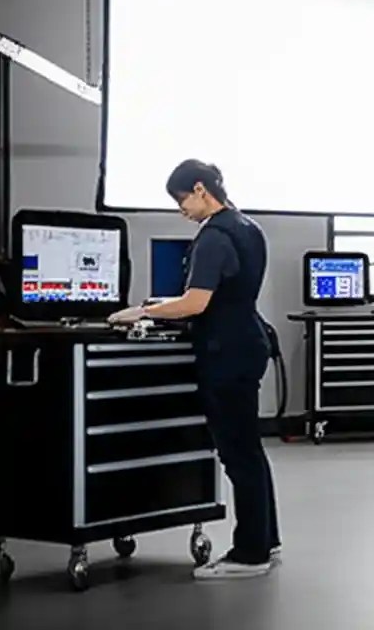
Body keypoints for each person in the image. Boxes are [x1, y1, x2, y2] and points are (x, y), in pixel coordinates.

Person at [108, 160, 281, 579]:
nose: (181, 210)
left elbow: (196, 302)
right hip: (247, 343)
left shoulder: (214, 236)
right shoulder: (248, 228)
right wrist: (164, 305)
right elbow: (224, 293)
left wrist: (141, 311)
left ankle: (250, 555)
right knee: (250, 452)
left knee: (237, 455)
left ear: (201, 189)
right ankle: (266, 539)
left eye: (181, 200)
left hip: (226, 354)